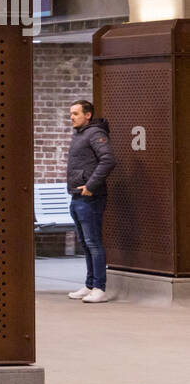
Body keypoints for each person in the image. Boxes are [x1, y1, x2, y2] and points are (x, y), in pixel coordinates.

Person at [66, 98, 116, 303]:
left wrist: (91, 186)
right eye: (70, 113)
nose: (71, 117)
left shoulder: (95, 133)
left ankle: (99, 287)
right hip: (77, 197)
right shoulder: (79, 134)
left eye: (75, 113)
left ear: (88, 115)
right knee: (85, 243)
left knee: (93, 242)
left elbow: (108, 160)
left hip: (90, 198)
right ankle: (89, 285)